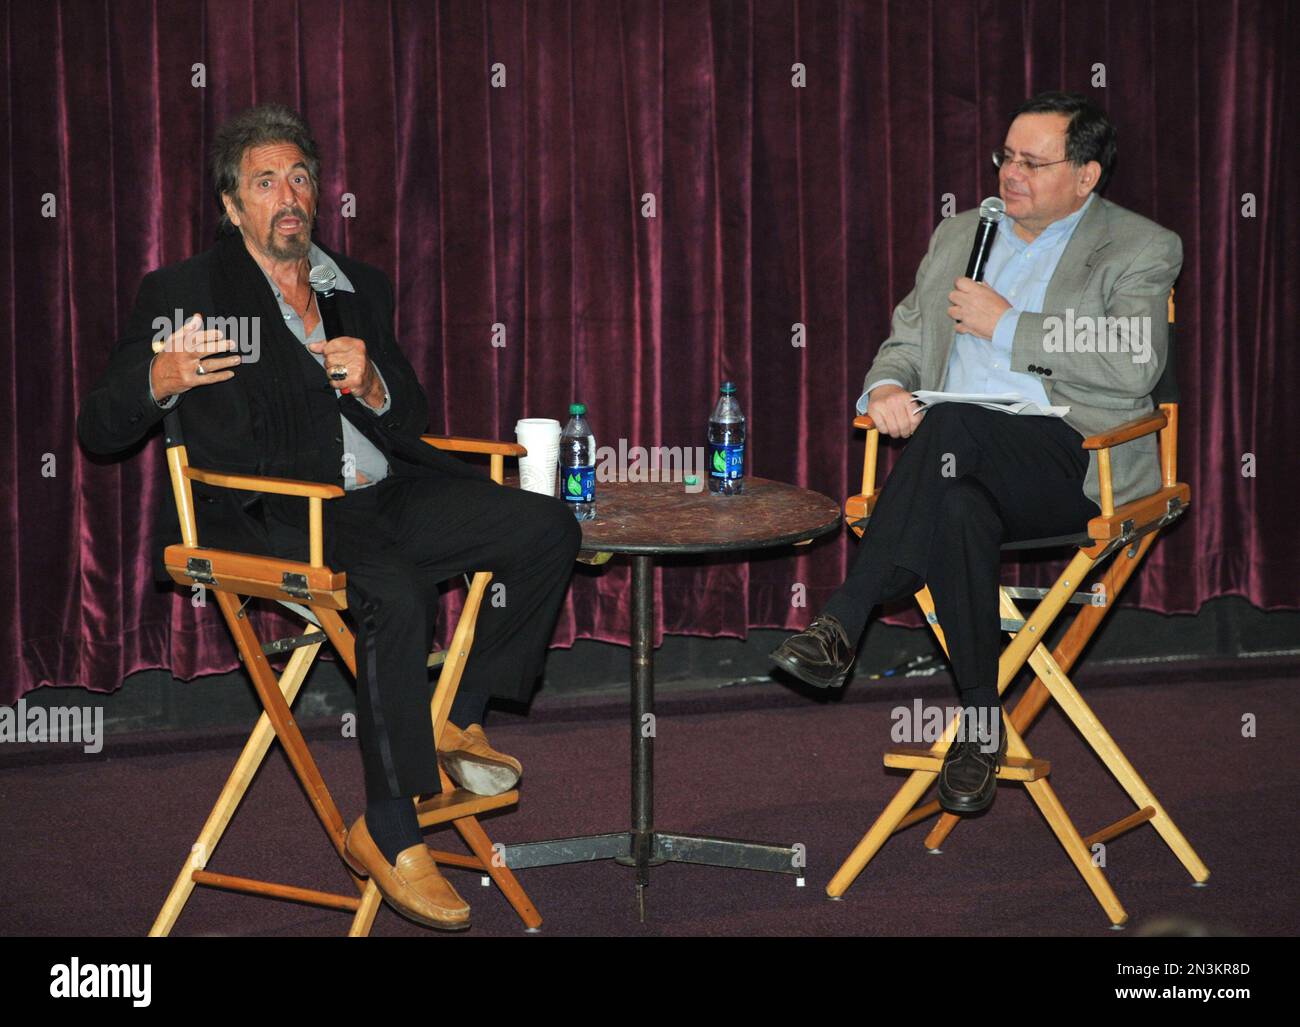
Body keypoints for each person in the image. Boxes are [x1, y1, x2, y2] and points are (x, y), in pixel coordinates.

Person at [78, 104, 582, 930]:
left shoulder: (356, 287)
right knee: (391, 589)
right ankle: (390, 832)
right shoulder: (185, 293)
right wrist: (160, 378)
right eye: (266, 181)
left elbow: (410, 418)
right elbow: (98, 426)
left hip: (380, 498)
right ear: (233, 206)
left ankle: (458, 718)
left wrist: (375, 385)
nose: (289, 195)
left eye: (302, 177)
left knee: (546, 525)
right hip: (275, 515)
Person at [771, 92, 1180, 815]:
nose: (1010, 173)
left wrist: (1010, 325)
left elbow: (1134, 362)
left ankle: (846, 613)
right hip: (954, 461)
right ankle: (982, 726)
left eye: (1033, 161)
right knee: (957, 506)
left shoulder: (1140, 246)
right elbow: (906, 339)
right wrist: (890, 385)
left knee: (954, 425)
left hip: (1074, 455)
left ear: (1086, 176)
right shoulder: (963, 231)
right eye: (1005, 157)